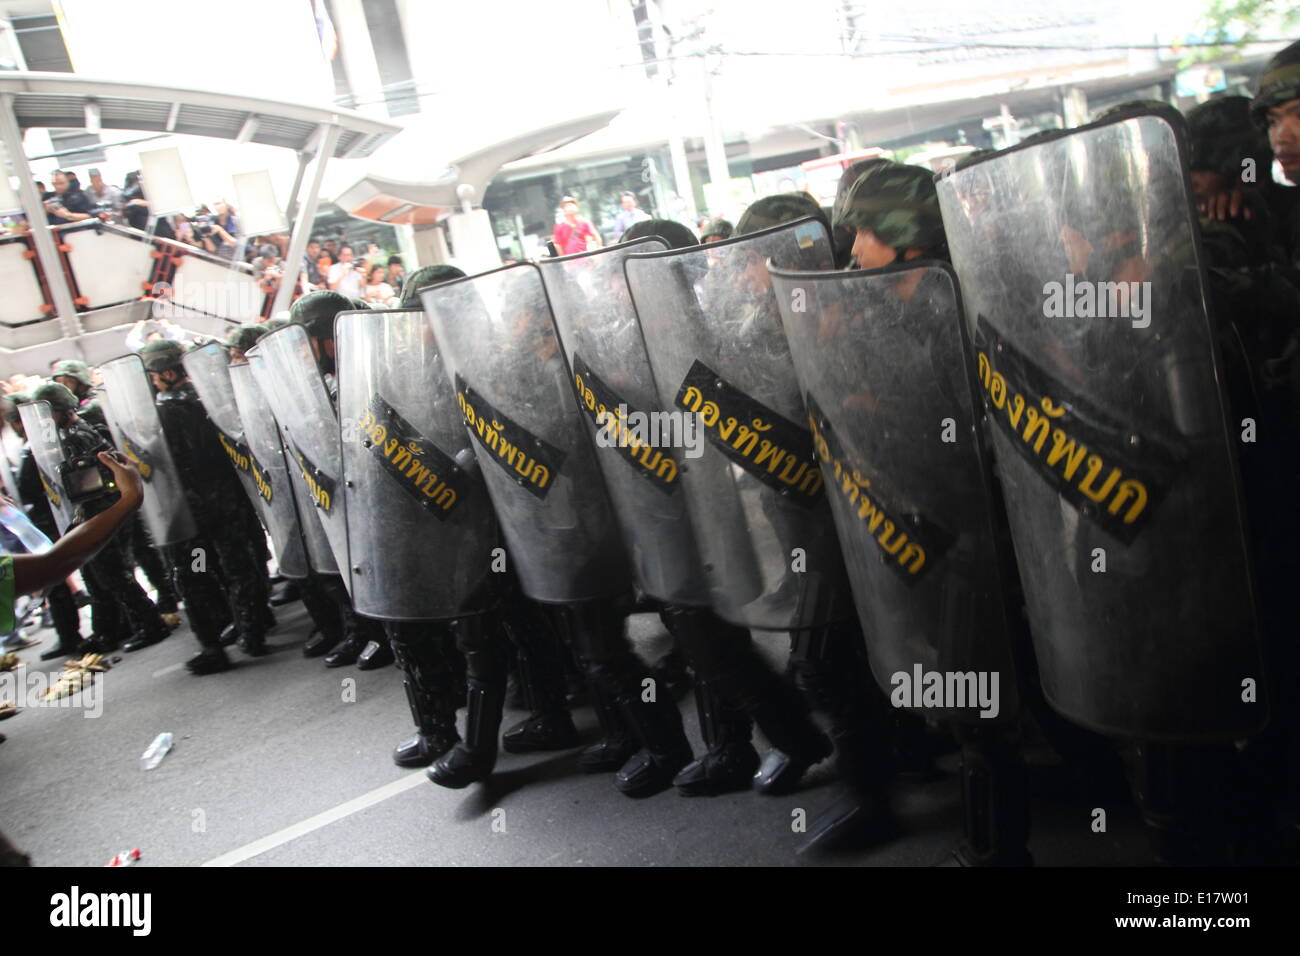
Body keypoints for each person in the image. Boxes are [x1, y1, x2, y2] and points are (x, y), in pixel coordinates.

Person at [138, 340, 273, 673]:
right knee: (240, 566)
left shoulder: (164, 412)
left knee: (196, 573)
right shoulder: (210, 400)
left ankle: (214, 644)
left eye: (155, 375)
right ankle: (252, 628)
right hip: (228, 500)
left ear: (167, 373)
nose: (154, 382)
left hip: (192, 511)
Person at [30, 383, 172, 655]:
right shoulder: (75, 431)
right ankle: (113, 630)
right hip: (103, 510)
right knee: (101, 577)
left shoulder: (74, 437)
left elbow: (86, 483)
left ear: (59, 410)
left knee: (113, 574)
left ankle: (150, 623)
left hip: (102, 510)